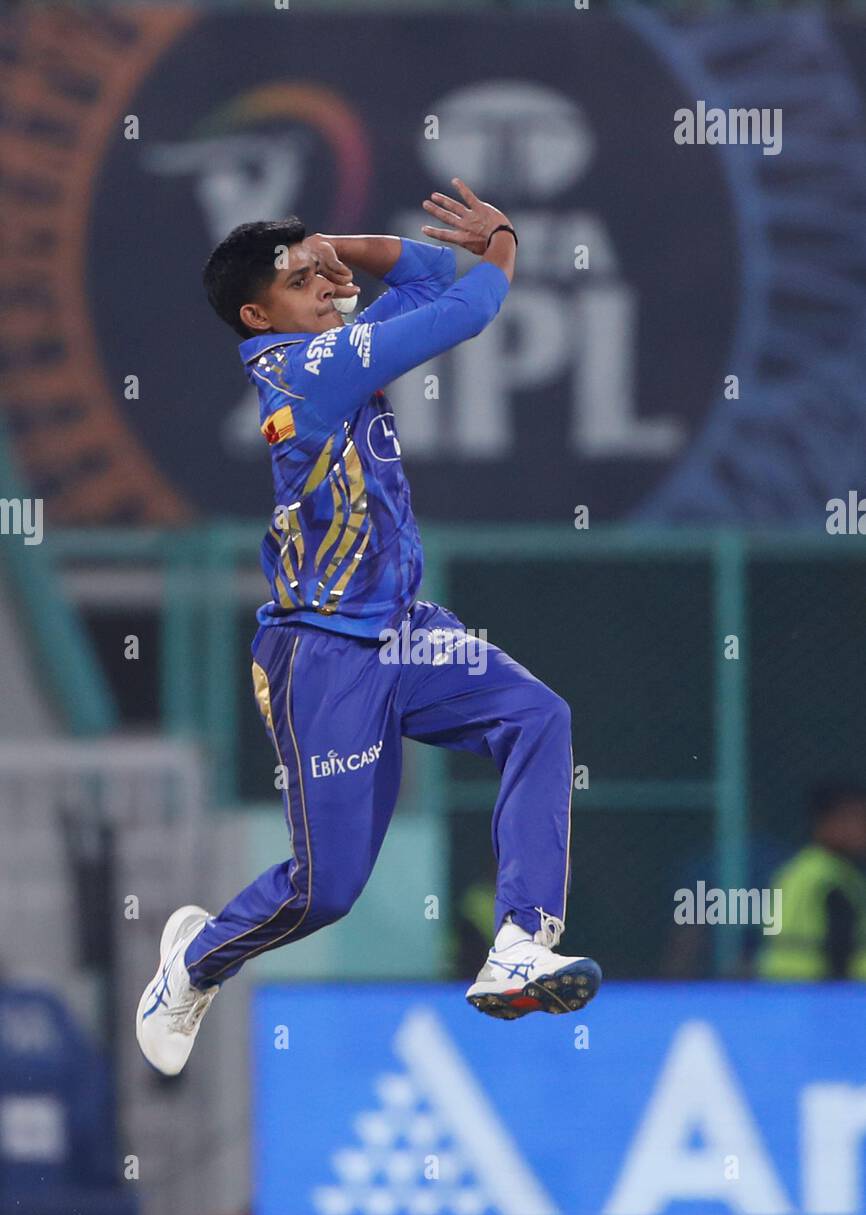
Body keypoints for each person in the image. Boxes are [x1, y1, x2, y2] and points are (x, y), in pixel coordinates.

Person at [136, 178, 601, 1076]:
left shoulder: (335, 349)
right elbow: (469, 303)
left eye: (322, 273)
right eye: (300, 279)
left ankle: (519, 943)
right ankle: (195, 962)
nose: (326, 285)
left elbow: (426, 275)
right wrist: (504, 236)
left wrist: (334, 248)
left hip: (404, 631)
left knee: (538, 716)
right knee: (326, 889)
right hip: (323, 653)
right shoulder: (308, 367)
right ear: (256, 314)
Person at [756, 781, 866, 980]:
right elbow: (840, 951)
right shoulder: (830, 878)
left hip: (780, 985)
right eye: (855, 819)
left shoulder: (799, 868)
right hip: (820, 986)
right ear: (826, 823)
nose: (862, 828)